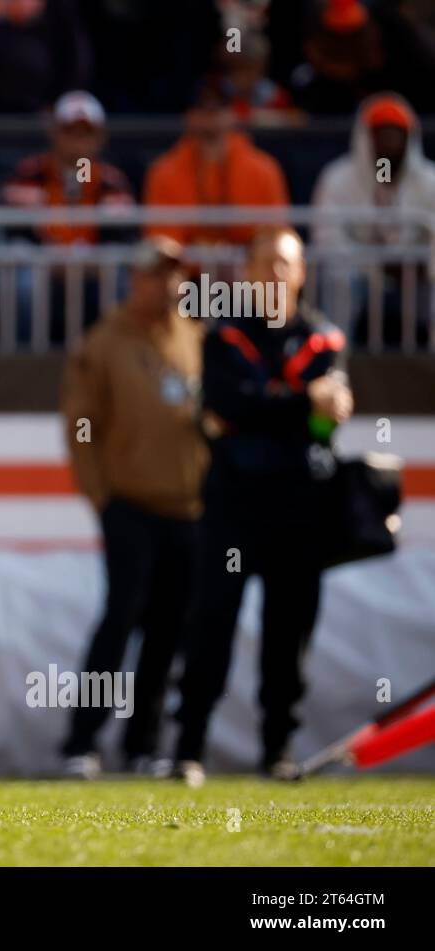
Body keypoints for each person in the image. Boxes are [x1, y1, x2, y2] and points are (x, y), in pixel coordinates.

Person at [171, 227, 353, 787]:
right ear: (247, 273)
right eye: (265, 263)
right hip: (234, 505)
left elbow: (327, 416)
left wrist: (268, 410)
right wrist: (299, 403)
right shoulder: (224, 336)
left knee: (289, 632)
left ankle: (278, 750)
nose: (275, 273)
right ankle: (189, 749)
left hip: (301, 508)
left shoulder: (324, 339)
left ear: (301, 273)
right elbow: (229, 404)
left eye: (286, 264)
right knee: (211, 624)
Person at [59, 237, 206, 779]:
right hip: (130, 504)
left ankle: (143, 746)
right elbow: (81, 423)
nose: (166, 284)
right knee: (120, 621)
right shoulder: (104, 342)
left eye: (173, 274)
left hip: (188, 509)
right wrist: (102, 498)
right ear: (134, 281)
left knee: (170, 630)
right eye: (154, 275)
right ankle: (82, 741)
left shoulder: (194, 337)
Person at [2, 90, 133, 344]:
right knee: (24, 286)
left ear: (99, 137)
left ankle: (110, 358)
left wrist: (87, 260)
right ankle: (25, 359)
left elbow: (119, 237)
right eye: (69, 131)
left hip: (95, 267)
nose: (77, 141)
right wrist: (53, 257)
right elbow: (17, 233)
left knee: (119, 283)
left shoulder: (112, 180)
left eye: (85, 133)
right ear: (54, 133)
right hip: (42, 264)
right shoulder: (28, 173)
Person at [311, 93, 435, 347]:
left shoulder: (429, 181)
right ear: (365, 137)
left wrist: (417, 264)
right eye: (381, 133)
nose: (389, 142)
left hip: (416, 274)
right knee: (339, 279)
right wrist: (376, 265)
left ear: (410, 138)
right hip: (359, 271)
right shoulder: (337, 178)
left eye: (396, 133)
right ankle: (336, 359)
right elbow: (327, 240)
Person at [142, 79, 289, 247]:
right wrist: (203, 261)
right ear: (189, 115)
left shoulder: (264, 169)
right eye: (202, 108)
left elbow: (275, 235)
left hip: (247, 270)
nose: (211, 115)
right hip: (189, 272)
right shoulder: (164, 172)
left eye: (219, 107)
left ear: (234, 114)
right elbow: (162, 242)